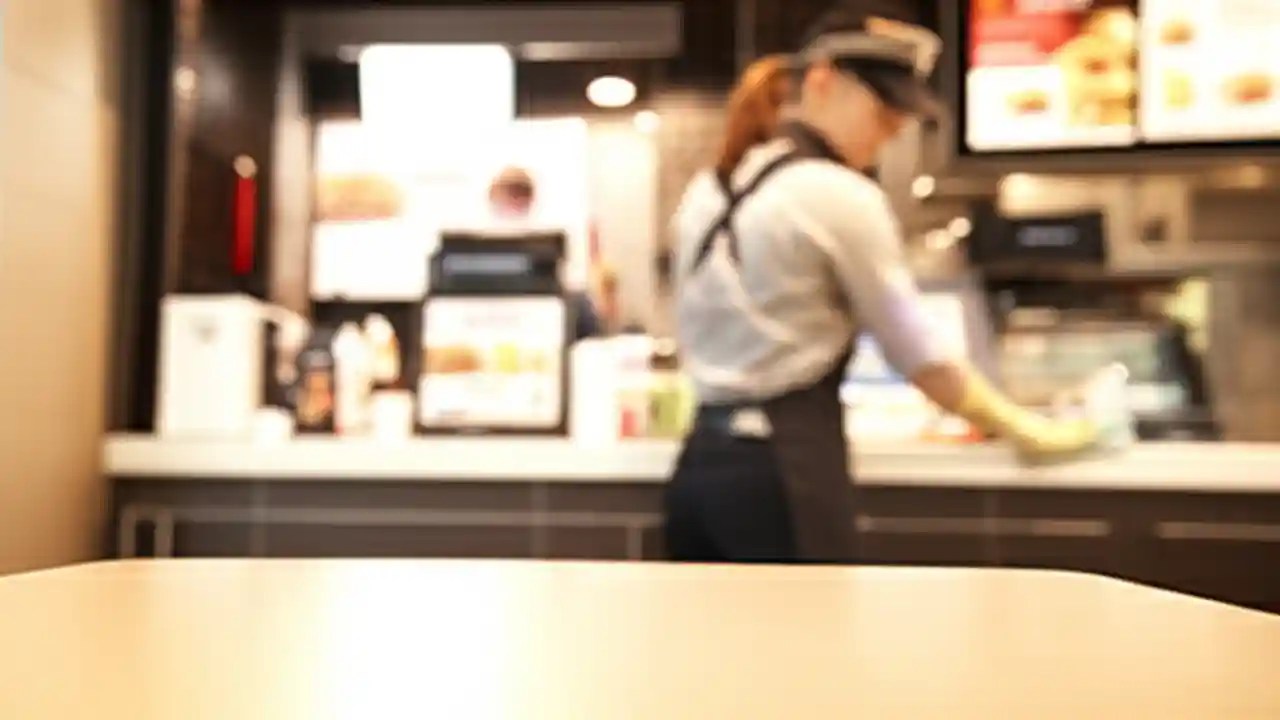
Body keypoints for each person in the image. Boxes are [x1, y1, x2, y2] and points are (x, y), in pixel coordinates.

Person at [665, 8, 1099, 564]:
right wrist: (1020, 426)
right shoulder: (842, 195)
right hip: (785, 475)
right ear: (821, 79)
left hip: (700, 468)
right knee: (809, 647)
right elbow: (917, 351)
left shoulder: (709, 186)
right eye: (884, 106)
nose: (894, 127)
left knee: (709, 649)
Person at [485, 166, 603, 341]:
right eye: (510, 191)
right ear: (494, 194)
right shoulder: (483, 231)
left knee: (581, 307)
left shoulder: (546, 233)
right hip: (493, 305)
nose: (515, 199)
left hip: (544, 303)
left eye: (521, 192)